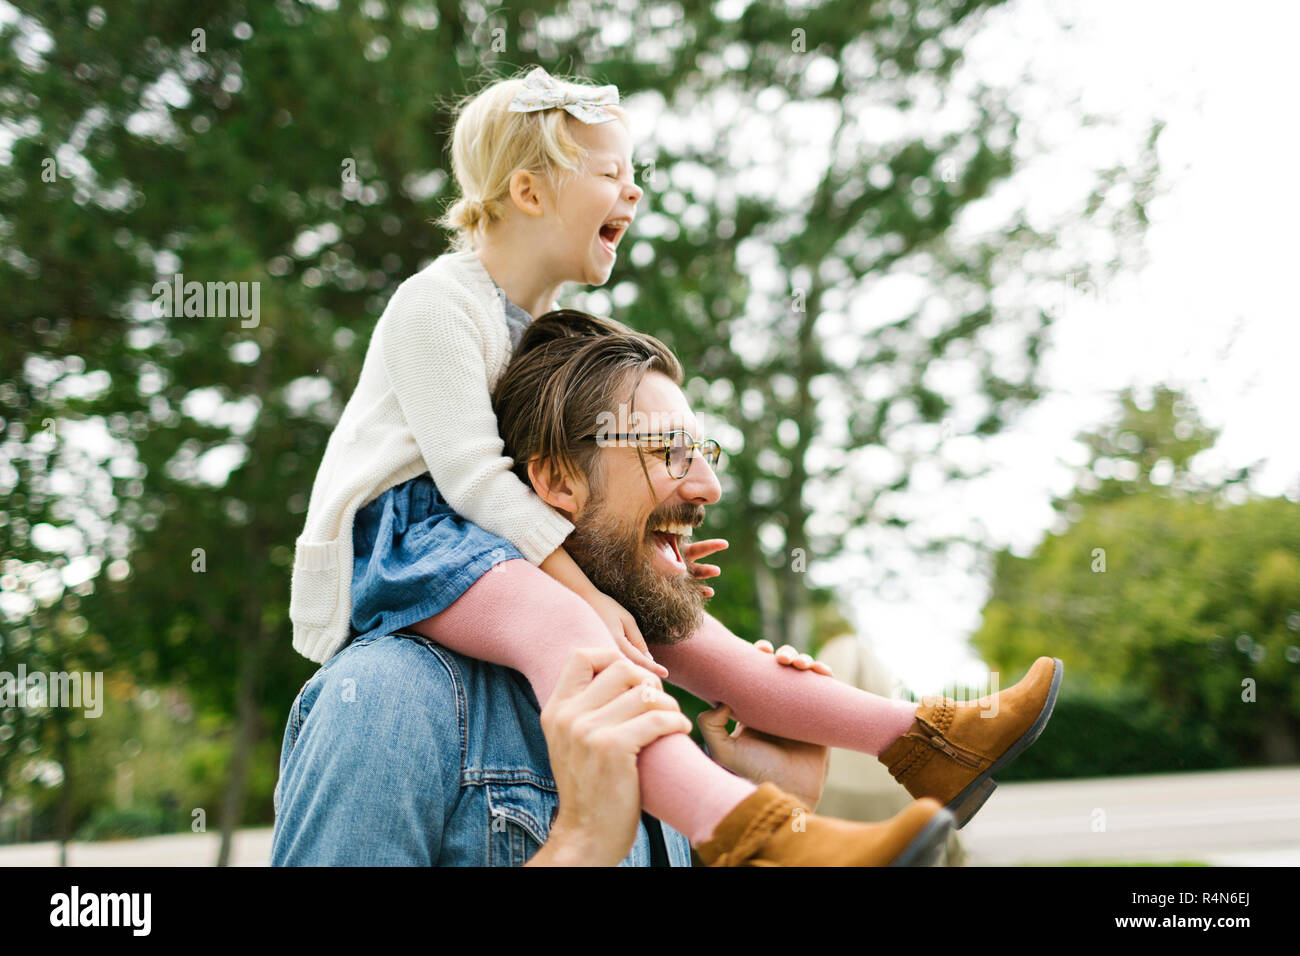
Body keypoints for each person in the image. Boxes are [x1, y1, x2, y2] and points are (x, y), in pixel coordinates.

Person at [286, 66, 1061, 865]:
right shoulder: (435, 304)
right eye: (611, 174)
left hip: (494, 533)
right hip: (411, 538)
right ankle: (752, 834)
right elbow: (476, 478)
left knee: (698, 639)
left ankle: (927, 741)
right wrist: (587, 593)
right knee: (573, 625)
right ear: (528, 191)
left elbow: (529, 492)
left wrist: (637, 556)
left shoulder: (541, 326)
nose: (633, 193)